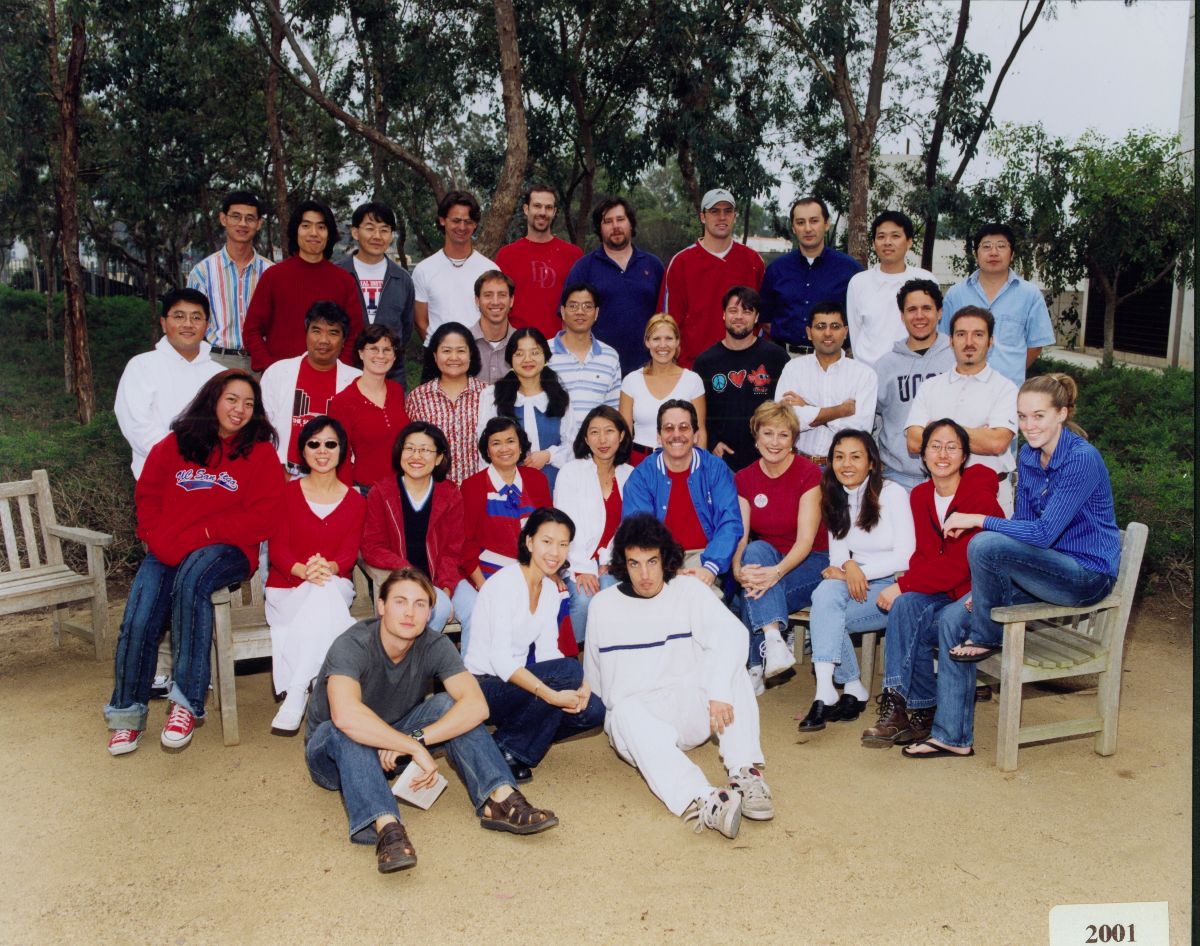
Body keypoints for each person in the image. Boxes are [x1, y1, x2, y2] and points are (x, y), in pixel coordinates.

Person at [902, 374, 1120, 759]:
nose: (1029, 426)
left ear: (1062, 414)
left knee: (985, 542)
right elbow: (1021, 526)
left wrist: (977, 519)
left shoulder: (1081, 459)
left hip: (1085, 575)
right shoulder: (1029, 455)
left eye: (1039, 416)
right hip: (1043, 569)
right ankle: (952, 736)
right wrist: (980, 593)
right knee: (955, 616)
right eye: (1022, 417)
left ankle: (987, 635)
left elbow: (1043, 532)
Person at [305, 568, 559, 875]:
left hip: (393, 743)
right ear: (381, 606)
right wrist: (409, 746)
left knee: (451, 704)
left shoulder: (433, 644)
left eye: (420, 604)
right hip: (333, 753)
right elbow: (346, 715)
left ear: (430, 612)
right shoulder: (353, 644)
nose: (410, 612)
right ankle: (387, 827)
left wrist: (416, 739)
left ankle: (502, 801)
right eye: (400, 602)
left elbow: (476, 706)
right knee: (345, 729)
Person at [104, 370, 283, 756]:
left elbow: (265, 517)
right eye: (232, 399)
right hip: (168, 548)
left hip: (227, 550)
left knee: (192, 580)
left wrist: (207, 533)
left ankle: (185, 702)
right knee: (138, 617)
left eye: (249, 404)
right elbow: (148, 496)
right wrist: (154, 535)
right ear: (213, 399)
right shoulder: (174, 445)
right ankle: (126, 715)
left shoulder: (261, 453)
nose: (240, 410)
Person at [584, 514, 772, 839]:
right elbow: (595, 680)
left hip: (689, 709)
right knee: (622, 712)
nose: (644, 575)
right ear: (622, 565)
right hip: (639, 726)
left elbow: (733, 634)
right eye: (634, 563)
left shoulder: (687, 590)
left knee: (727, 666)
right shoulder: (602, 605)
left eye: (652, 562)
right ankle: (705, 799)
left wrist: (717, 691)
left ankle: (745, 771)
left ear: (665, 559)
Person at [860, 419, 1002, 748]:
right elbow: (924, 555)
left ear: (965, 456)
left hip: (974, 600)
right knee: (907, 608)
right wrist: (908, 587)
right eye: (934, 446)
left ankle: (920, 709)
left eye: (952, 447)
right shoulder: (921, 495)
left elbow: (960, 563)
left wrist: (904, 584)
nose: (942, 454)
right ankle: (901, 710)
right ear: (922, 455)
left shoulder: (979, 497)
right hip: (943, 596)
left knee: (908, 608)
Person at [464, 508, 606, 783]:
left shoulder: (551, 589)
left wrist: (582, 685)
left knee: (593, 709)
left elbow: (548, 653)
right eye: (547, 541)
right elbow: (500, 659)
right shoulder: (504, 585)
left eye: (563, 544)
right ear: (529, 542)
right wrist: (552, 696)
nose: (555, 552)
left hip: (516, 685)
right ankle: (511, 747)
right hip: (483, 686)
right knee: (567, 673)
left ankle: (506, 745)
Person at [797, 430, 914, 733]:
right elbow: (837, 557)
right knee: (826, 593)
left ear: (871, 462)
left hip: (893, 584)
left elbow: (906, 556)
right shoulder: (835, 494)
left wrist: (858, 571)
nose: (845, 464)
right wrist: (849, 565)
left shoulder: (892, 493)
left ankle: (847, 686)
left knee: (828, 618)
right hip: (853, 577)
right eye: (838, 456)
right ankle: (833, 687)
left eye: (855, 456)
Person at [265, 415, 367, 732]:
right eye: (314, 444)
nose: (322, 450)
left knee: (326, 590)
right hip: (287, 590)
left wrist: (327, 569)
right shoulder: (285, 493)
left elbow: (349, 554)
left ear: (342, 451)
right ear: (303, 451)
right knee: (324, 594)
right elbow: (278, 549)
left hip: (333, 585)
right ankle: (334, 697)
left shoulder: (355, 500)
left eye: (330, 444)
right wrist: (306, 571)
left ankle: (296, 693)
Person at [731, 401, 828, 692]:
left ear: (793, 440)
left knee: (757, 586)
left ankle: (755, 667)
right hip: (769, 557)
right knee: (753, 559)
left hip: (812, 561)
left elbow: (806, 541)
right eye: (768, 433)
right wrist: (737, 569)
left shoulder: (809, 474)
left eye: (783, 435)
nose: (775, 442)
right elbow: (742, 536)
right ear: (756, 436)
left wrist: (775, 573)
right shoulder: (744, 478)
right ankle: (774, 639)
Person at [361, 422, 472, 635]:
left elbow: (453, 549)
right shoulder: (382, 492)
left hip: (444, 579)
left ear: (439, 457)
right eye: (410, 448)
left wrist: (446, 588)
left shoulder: (450, 495)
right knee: (435, 609)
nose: (416, 456)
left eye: (425, 450)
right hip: (404, 579)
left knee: (478, 609)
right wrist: (409, 570)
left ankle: (470, 669)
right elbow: (372, 546)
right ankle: (414, 667)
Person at [622, 400, 742, 596]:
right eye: (668, 428)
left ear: (695, 435)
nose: (676, 434)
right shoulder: (642, 476)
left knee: (702, 599)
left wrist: (710, 567)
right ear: (659, 437)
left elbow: (730, 522)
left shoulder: (715, 469)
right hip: (658, 560)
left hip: (705, 556)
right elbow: (638, 533)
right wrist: (666, 571)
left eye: (684, 427)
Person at [905, 306, 1018, 513]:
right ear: (951, 341)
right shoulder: (930, 387)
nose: (969, 342)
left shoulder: (1005, 388)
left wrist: (935, 432)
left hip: (991, 496)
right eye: (961, 334)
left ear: (990, 341)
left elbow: (997, 443)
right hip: (939, 495)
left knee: (988, 547)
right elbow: (913, 442)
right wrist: (979, 433)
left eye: (978, 334)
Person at [458, 417, 554, 648]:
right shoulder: (472, 486)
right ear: (487, 450)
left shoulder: (537, 479)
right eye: (496, 443)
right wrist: (483, 586)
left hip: (533, 570)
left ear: (521, 446)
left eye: (510, 441)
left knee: (553, 603)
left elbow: (550, 532)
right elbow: (465, 543)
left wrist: (551, 574)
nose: (504, 449)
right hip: (488, 573)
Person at [115, 287, 224, 478]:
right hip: (159, 476)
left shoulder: (221, 374)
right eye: (179, 316)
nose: (188, 324)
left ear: (207, 326)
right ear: (164, 323)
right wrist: (180, 460)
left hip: (212, 478)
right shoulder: (142, 366)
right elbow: (136, 425)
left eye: (196, 317)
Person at [243, 198, 363, 372]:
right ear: (295, 231)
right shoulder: (273, 276)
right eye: (306, 226)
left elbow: (355, 333)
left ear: (329, 234)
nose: (313, 233)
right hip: (281, 380)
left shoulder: (344, 281)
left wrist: (340, 371)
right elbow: (252, 330)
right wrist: (270, 369)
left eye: (321, 227)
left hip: (330, 379)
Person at [553, 405, 634, 643]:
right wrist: (582, 568)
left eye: (609, 431)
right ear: (586, 439)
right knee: (585, 597)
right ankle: (572, 662)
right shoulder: (571, 472)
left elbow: (630, 529)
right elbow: (563, 528)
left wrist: (609, 561)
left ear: (621, 436)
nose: (602, 439)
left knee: (611, 591)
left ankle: (610, 662)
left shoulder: (630, 474)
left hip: (616, 561)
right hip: (576, 560)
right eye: (594, 432)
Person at [939, 223, 1056, 389]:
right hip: (962, 387)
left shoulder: (1030, 295)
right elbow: (944, 341)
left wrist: (1011, 371)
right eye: (986, 246)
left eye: (1001, 246)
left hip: (1009, 390)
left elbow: (1035, 346)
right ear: (975, 254)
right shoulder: (956, 294)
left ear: (1012, 254)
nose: (993, 252)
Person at [658, 188, 765, 368]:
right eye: (714, 211)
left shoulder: (753, 261)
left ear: (734, 216)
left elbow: (761, 320)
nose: (722, 217)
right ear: (702, 216)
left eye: (727, 211)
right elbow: (669, 322)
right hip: (694, 368)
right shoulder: (681, 262)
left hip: (743, 369)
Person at [563, 197, 665, 374]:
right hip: (598, 369)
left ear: (630, 223)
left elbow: (665, 317)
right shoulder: (584, 268)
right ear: (599, 228)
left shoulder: (653, 265)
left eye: (620, 219)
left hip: (648, 368)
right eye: (608, 221)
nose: (615, 226)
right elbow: (567, 321)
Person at [693, 286, 790, 471]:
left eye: (747, 311)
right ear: (723, 314)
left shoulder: (776, 358)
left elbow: (786, 409)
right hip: (721, 460)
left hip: (767, 458)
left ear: (756, 317)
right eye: (733, 310)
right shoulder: (705, 362)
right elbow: (698, 414)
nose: (739, 317)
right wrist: (712, 442)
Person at [260, 301, 362, 477]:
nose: (324, 340)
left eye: (333, 333)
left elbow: (360, 439)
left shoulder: (357, 380)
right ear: (306, 334)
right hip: (285, 474)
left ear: (344, 340)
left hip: (334, 479)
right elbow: (262, 428)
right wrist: (276, 470)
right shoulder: (277, 372)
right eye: (316, 331)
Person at [873, 278, 956, 491]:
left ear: (939, 312)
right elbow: (871, 420)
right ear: (902, 316)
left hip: (951, 476)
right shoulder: (884, 366)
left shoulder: (957, 359)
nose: (919, 316)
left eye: (927, 308)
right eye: (912, 309)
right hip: (897, 477)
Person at [775, 301, 878, 468]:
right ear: (809, 332)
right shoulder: (793, 369)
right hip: (797, 464)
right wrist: (840, 411)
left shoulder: (864, 375)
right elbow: (785, 422)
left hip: (842, 469)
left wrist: (807, 407)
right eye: (821, 326)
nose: (828, 333)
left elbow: (859, 429)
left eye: (835, 326)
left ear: (845, 332)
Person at [476, 327, 578, 490]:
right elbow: (484, 448)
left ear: (545, 356)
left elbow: (573, 444)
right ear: (510, 358)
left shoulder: (559, 395)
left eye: (535, 352)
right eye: (519, 353)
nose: (527, 359)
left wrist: (549, 455)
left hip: (555, 485)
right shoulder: (492, 395)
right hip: (507, 488)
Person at [759, 197, 863, 357]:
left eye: (814, 221)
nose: (808, 228)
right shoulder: (776, 269)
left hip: (834, 359)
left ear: (826, 224)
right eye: (800, 222)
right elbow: (766, 320)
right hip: (785, 359)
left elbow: (860, 319)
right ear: (793, 227)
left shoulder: (850, 269)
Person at [186, 190, 272, 371]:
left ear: (259, 224)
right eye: (235, 217)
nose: (242, 224)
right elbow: (192, 324)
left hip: (261, 363)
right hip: (216, 360)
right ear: (223, 219)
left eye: (249, 218)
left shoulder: (271, 272)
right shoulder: (203, 272)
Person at [845, 210, 936, 370]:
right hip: (870, 374)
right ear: (873, 243)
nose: (887, 242)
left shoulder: (925, 280)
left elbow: (933, 329)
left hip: (914, 372)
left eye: (895, 236)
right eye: (881, 237)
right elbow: (855, 333)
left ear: (909, 242)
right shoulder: (859, 282)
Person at [336, 201, 414, 385]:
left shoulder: (402, 279)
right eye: (370, 228)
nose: (377, 236)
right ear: (355, 232)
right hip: (345, 372)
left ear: (391, 235)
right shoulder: (338, 275)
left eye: (384, 230)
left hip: (391, 375)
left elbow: (406, 328)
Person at [494, 185, 583, 338]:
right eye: (537, 206)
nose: (542, 212)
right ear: (526, 209)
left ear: (554, 212)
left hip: (562, 346)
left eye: (548, 207)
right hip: (520, 347)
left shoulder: (573, 255)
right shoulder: (506, 255)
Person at [328, 324, 409, 491]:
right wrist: (348, 495)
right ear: (361, 353)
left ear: (394, 356)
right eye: (373, 348)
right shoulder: (343, 401)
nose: (381, 355)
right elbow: (340, 455)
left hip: (403, 486)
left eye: (387, 350)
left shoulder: (396, 391)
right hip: (366, 490)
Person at [405, 321, 489, 485]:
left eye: (461, 351)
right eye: (446, 351)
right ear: (435, 355)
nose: (454, 358)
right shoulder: (418, 397)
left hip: (480, 489)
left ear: (471, 354)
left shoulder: (488, 394)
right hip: (433, 490)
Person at [619, 313, 706, 464]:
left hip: (682, 461)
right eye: (656, 339)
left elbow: (700, 432)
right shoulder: (631, 381)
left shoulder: (693, 380)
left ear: (677, 341)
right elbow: (624, 433)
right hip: (639, 463)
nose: (663, 345)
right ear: (647, 342)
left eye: (669, 338)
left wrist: (699, 469)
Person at [412, 190, 496, 340]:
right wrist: (440, 350)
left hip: (480, 356)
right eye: (456, 221)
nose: (462, 227)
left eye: (468, 222)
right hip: (437, 356)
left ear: (475, 224)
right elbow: (420, 321)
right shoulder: (424, 270)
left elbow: (496, 318)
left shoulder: (490, 269)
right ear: (443, 220)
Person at [547, 282, 623, 424]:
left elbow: (613, 409)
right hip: (554, 444)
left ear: (596, 313)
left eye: (587, 306)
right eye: (573, 306)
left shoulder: (609, 356)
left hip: (595, 443)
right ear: (563, 312)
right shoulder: (543, 352)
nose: (580, 312)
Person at [470, 269, 517, 384]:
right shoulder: (462, 343)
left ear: (511, 301)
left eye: (502, 295)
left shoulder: (523, 344)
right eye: (488, 295)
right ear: (477, 301)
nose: (495, 302)